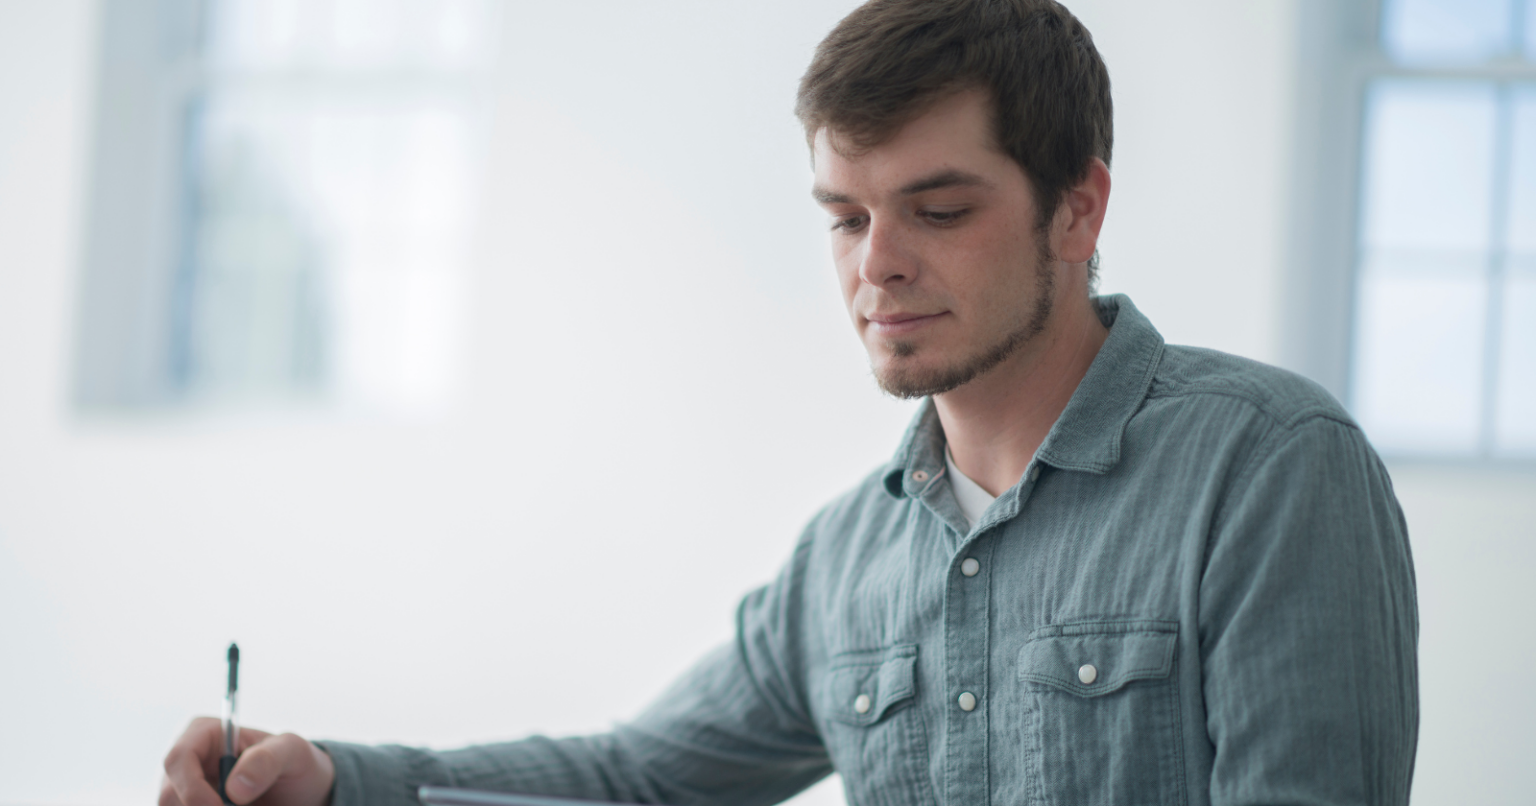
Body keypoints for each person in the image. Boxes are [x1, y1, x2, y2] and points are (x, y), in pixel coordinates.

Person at [161, 1, 1419, 805]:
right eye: (845, 216)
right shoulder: (845, 556)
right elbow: (642, 776)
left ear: (1077, 208)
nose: (876, 264)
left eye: (936, 210)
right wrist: (338, 782)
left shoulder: (1269, 468)